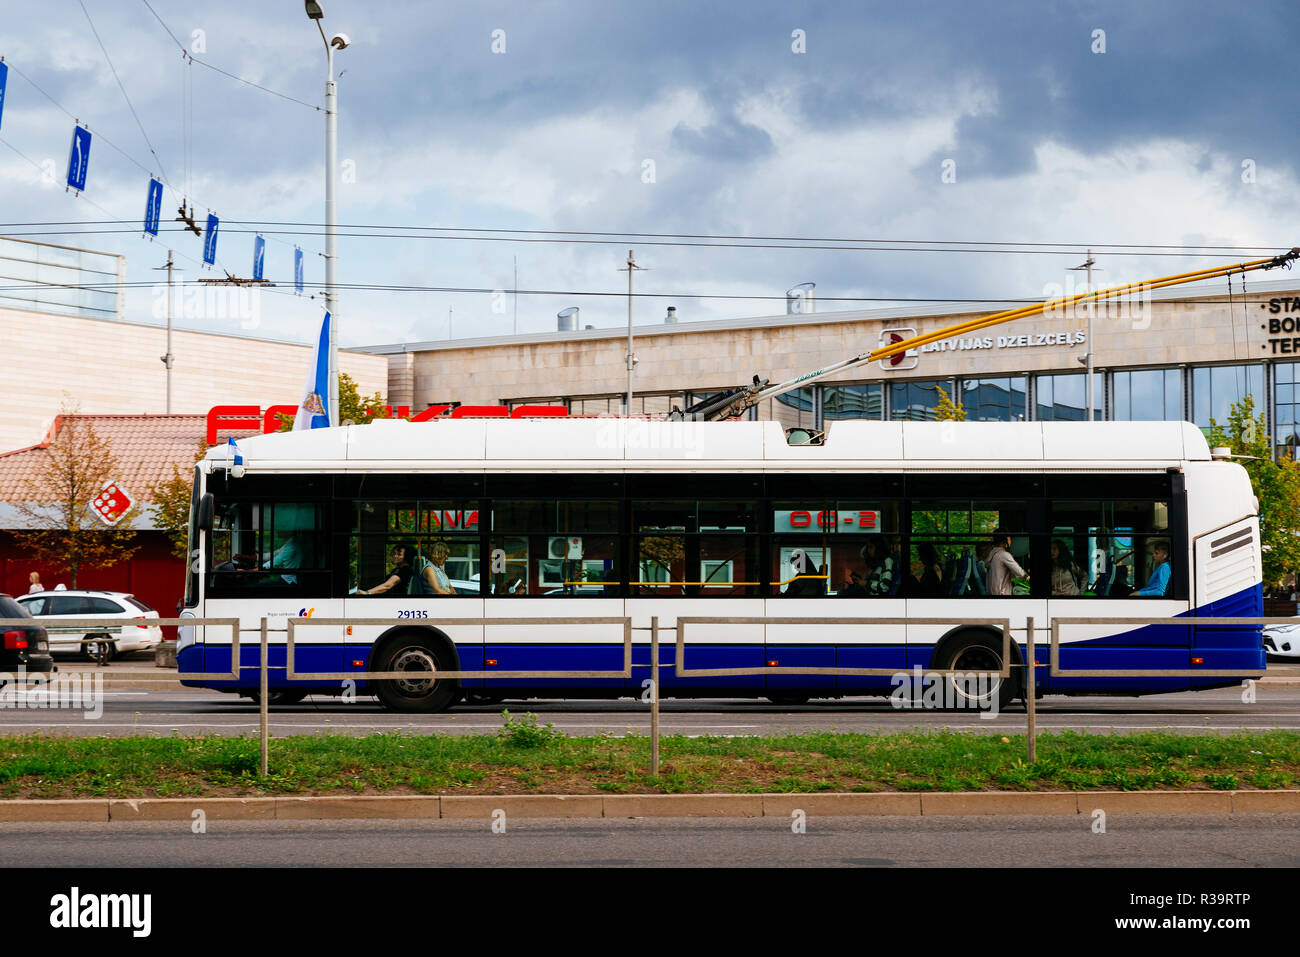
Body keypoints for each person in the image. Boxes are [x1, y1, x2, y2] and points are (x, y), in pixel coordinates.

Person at [985, 529, 1027, 596]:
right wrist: (1027, 577)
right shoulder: (1004, 554)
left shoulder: (992, 554)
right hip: (1002, 595)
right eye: (1009, 537)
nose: (1010, 540)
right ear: (1006, 539)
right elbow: (1020, 573)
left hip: (992, 594)